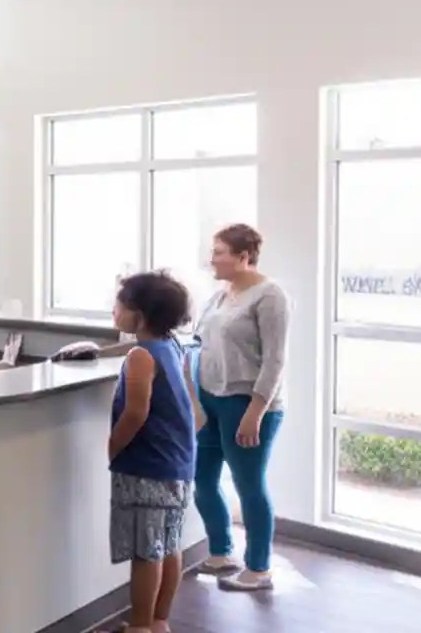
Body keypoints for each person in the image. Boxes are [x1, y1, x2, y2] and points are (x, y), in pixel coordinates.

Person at [190, 223, 289, 592]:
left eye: (218, 252)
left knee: (249, 486)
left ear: (244, 257)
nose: (211, 260)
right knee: (202, 479)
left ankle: (259, 569)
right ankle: (221, 552)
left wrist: (255, 412)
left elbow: (275, 360)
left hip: (248, 403)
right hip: (210, 399)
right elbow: (197, 344)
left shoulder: (270, 296)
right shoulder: (219, 296)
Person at [101, 272, 198, 633]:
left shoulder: (141, 356)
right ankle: (159, 620)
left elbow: (136, 412)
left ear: (139, 316)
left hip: (147, 466)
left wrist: (113, 445)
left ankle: (140, 625)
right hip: (177, 464)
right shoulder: (171, 345)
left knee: (146, 551)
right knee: (169, 545)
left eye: (119, 305)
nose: (114, 311)